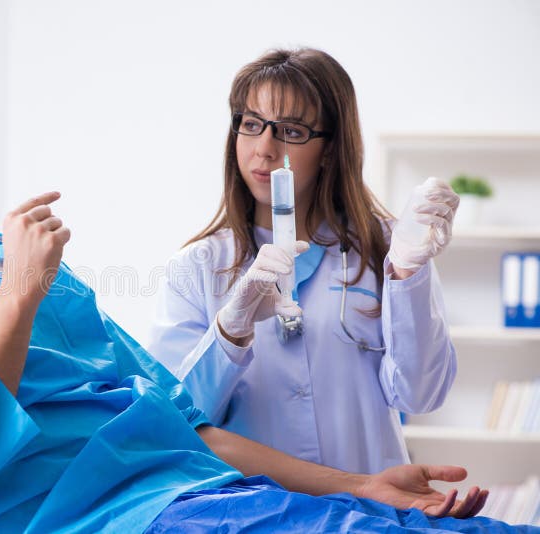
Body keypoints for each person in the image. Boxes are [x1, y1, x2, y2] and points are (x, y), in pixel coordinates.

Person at [0, 24, 530, 534]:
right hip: (134, 519)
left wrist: (359, 487)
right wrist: (17, 298)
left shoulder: (33, 268)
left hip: (216, 496)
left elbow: (181, 423)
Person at [148, 48, 460, 476]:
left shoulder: (387, 246)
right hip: (255, 515)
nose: (264, 149)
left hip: (369, 512)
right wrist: (229, 332)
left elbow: (420, 396)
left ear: (331, 148)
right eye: (251, 124)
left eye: (291, 131)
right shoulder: (198, 265)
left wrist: (407, 273)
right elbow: (174, 422)